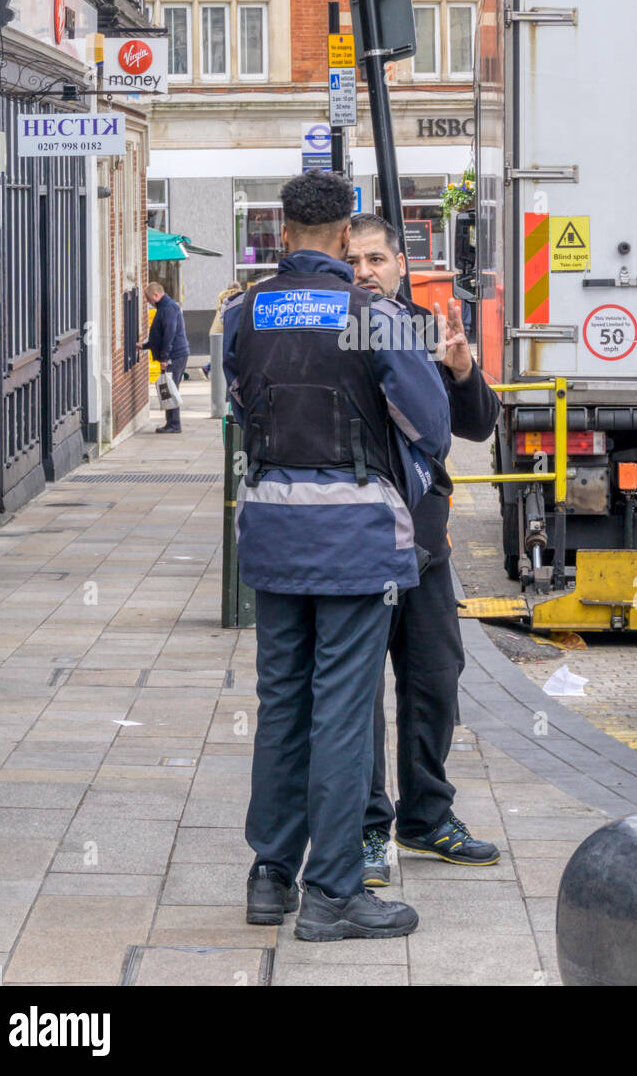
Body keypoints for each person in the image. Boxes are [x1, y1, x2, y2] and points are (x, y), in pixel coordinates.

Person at [223, 171, 451, 943]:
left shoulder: (241, 314)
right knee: (344, 713)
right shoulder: (375, 317)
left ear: (281, 233)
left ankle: (269, 874)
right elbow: (431, 425)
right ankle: (334, 893)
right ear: (348, 237)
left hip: (272, 535)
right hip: (355, 542)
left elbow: (238, 403)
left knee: (282, 703)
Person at [346, 213, 502, 884]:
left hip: (425, 549)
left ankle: (426, 819)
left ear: (401, 265)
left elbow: (476, 425)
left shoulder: (424, 329)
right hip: (353, 550)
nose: (364, 272)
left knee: (435, 682)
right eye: (352, 260)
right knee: (354, 697)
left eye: (376, 259)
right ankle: (365, 831)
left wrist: (463, 370)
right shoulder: (334, 331)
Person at [142, 282, 190, 434]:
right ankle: (171, 422)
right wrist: (145, 346)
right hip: (175, 354)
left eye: (149, 299)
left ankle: (174, 424)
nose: (149, 302)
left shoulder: (168, 308)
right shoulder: (165, 307)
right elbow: (160, 335)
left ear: (156, 295)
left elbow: (169, 334)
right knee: (170, 388)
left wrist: (164, 358)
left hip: (174, 355)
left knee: (170, 388)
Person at [202, 281, 244, 378]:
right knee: (225, 354)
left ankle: (208, 368)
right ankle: (207, 368)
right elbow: (226, 319)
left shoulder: (223, 298)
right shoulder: (235, 299)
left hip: (216, 331)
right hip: (224, 331)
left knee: (221, 353)